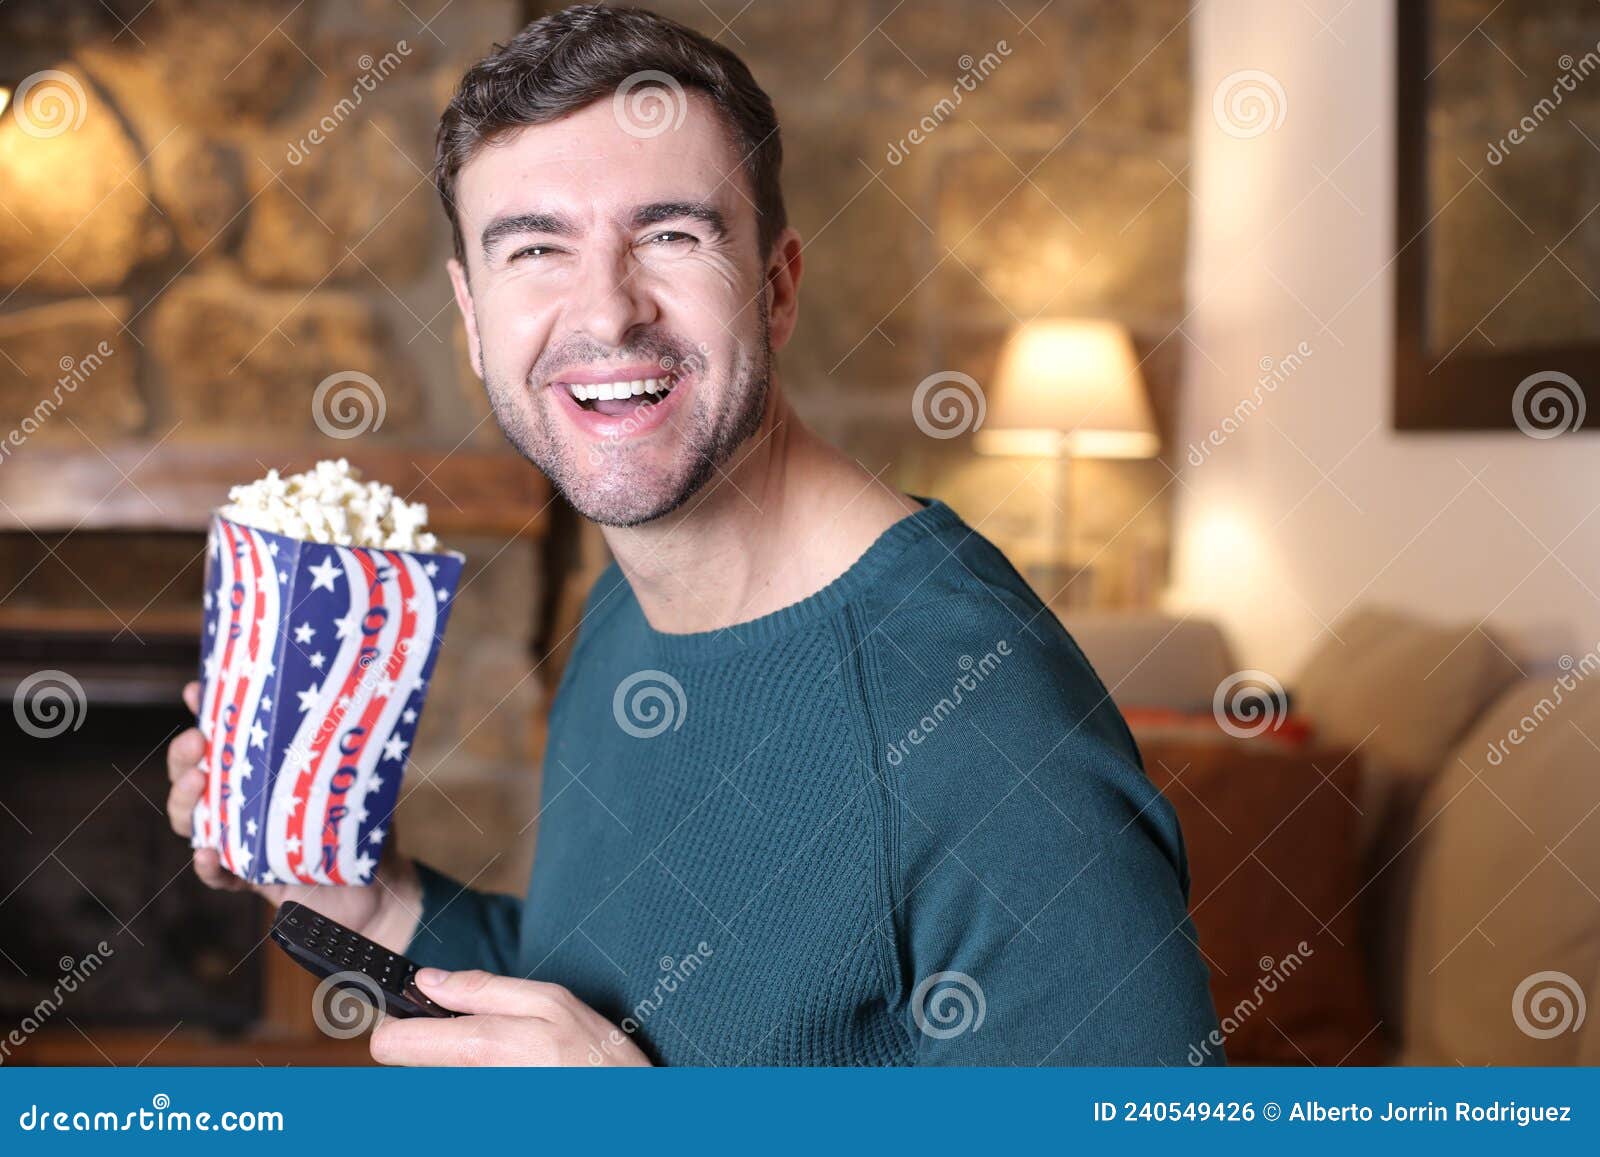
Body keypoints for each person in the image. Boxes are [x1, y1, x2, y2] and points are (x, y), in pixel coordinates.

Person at [166, 3, 1223, 1067]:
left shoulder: (984, 722)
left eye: (670, 234)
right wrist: (378, 902)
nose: (608, 312)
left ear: (776, 287)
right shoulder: (628, 600)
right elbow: (606, 1004)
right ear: (473, 318)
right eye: (534, 247)